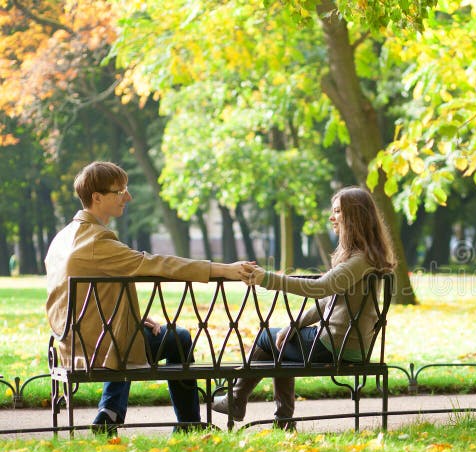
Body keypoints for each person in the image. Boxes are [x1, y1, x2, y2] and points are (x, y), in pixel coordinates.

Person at [45, 161, 245, 434]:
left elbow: (82, 301)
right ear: (97, 197)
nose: (128, 197)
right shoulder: (96, 242)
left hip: (69, 343)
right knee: (179, 338)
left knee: (129, 336)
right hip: (98, 347)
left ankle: (111, 410)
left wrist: (134, 318)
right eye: (120, 191)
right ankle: (188, 424)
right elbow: (159, 264)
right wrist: (224, 269)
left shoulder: (63, 238)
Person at [212, 186, 396, 428]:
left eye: (338, 211)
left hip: (335, 345)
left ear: (355, 218)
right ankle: (279, 419)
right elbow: (328, 301)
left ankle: (241, 401)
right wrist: (295, 324)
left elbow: (320, 288)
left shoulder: (359, 261)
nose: (332, 217)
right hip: (349, 344)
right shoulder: (364, 258)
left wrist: (267, 279)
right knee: (281, 342)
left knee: (267, 337)